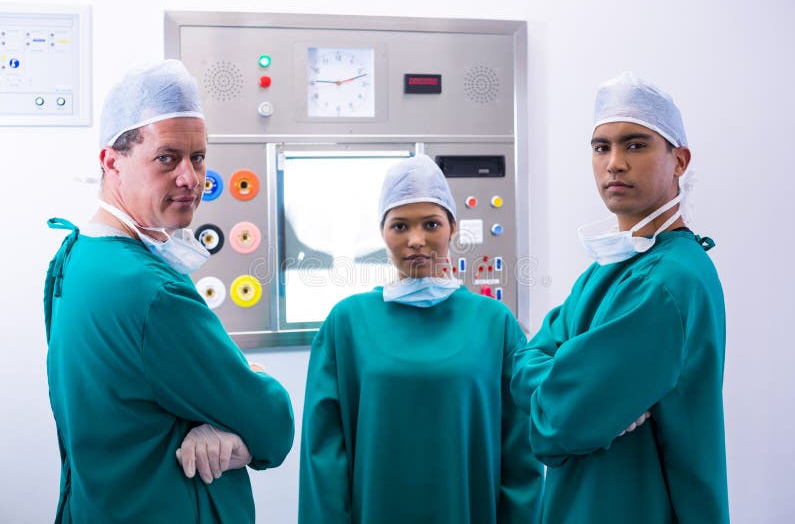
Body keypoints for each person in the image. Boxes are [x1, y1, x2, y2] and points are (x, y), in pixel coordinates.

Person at [44, 59, 294, 523]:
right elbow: (274, 424)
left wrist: (215, 416)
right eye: (167, 158)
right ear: (111, 162)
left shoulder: (74, 258)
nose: (190, 178)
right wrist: (250, 377)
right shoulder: (153, 294)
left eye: (197, 157)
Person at [511, 71, 728, 523]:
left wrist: (563, 387)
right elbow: (523, 365)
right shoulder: (609, 268)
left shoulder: (665, 283)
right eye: (601, 147)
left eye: (635, 144)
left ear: (679, 160)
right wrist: (569, 389)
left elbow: (559, 422)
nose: (614, 163)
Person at [298, 154, 543, 524]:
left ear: (452, 228)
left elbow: (521, 455)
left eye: (431, 224)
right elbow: (324, 458)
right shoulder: (346, 324)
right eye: (400, 226)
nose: (416, 240)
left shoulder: (495, 324)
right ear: (382, 232)